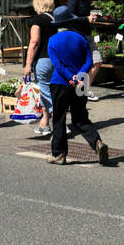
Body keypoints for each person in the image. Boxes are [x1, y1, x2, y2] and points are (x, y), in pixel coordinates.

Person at [46, 20, 109, 166]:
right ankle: (97, 143)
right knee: (80, 118)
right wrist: (80, 75)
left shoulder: (53, 40)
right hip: (81, 83)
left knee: (59, 118)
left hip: (60, 83)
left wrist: (71, 77)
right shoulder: (81, 38)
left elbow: (57, 64)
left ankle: (59, 153)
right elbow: (89, 60)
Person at [21, 0, 56, 137]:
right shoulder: (56, 19)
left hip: (43, 60)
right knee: (49, 91)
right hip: (57, 60)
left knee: (45, 93)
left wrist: (28, 63)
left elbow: (34, 42)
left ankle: (60, 123)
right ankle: (44, 123)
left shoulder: (38, 20)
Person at [64, 0, 101, 101]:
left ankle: (85, 89)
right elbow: (69, 18)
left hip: (87, 34)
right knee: (82, 63)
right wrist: (86, 18)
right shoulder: (73, 0)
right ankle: (80, 91)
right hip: (78, 35)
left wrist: (91, 15)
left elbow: (84, 14)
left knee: (97, 60)